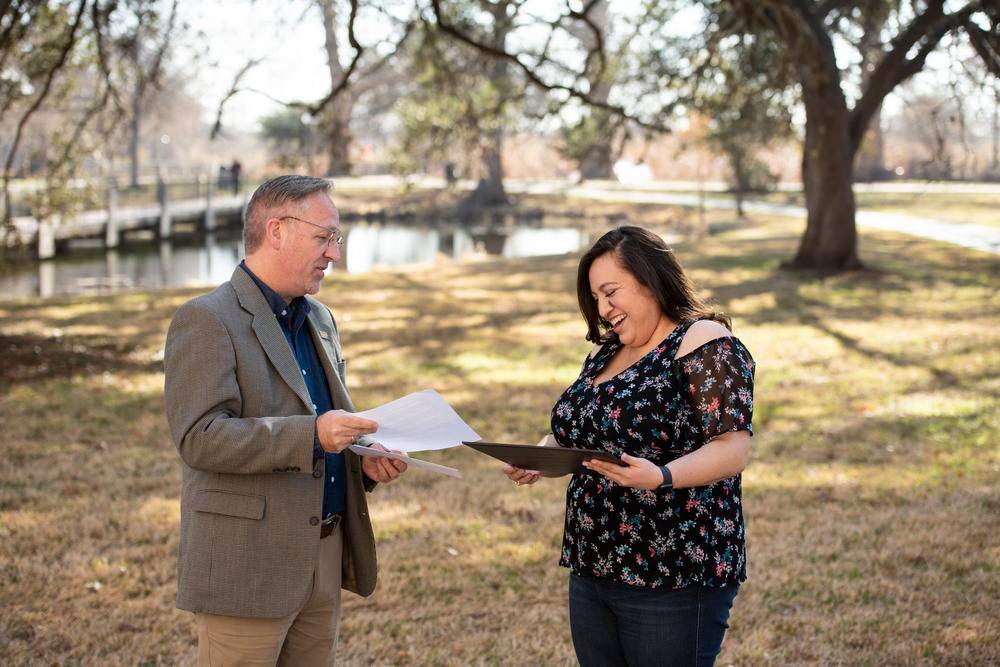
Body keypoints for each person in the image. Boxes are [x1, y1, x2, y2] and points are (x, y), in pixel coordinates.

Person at [163, 175, 408, 665]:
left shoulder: (320, 318)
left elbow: (324, 429)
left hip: (323, 553)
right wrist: (314, 435)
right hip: (248, 564)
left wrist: (363, 461)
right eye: (325, 237)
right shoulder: (207, 319)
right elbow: (200, 438)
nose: (333, 254)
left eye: (335, 239)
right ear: (276, 231)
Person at [505, 226, 755, 667]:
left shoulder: (703, 341)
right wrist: (543, 457)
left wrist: (661, 477)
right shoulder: (608, 352)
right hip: (593, 565)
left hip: (672, 572)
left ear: (649, 278)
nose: (603, 309)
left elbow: (732, 447)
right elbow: (579, 434)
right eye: (596, 298)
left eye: (610, 292)